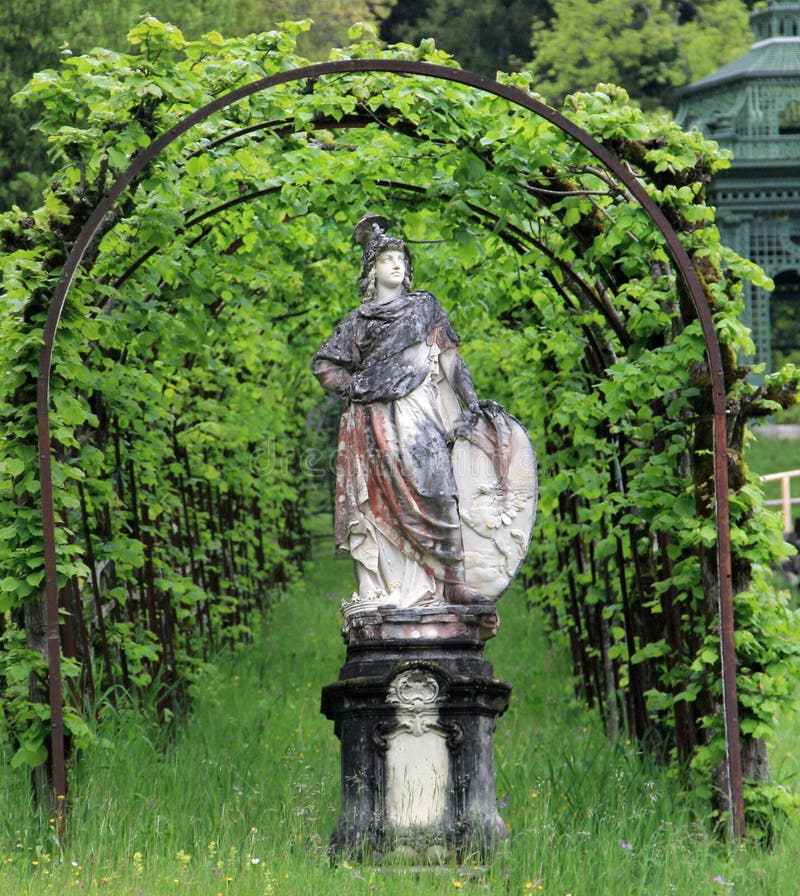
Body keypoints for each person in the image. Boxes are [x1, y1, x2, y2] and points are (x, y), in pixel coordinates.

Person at [312, 214, 484, 608]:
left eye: (401, 259)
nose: (396, 264)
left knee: (439, 487)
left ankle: (451, 579)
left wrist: (470, 403)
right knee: (378, 502)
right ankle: (389, 587)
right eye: (387, 258)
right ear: (371, 269)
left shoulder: (424, 308)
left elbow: (450, 359)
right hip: (375, 421)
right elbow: (324, 365)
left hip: (421, 412)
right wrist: (357, 387)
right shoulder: (358, 321)